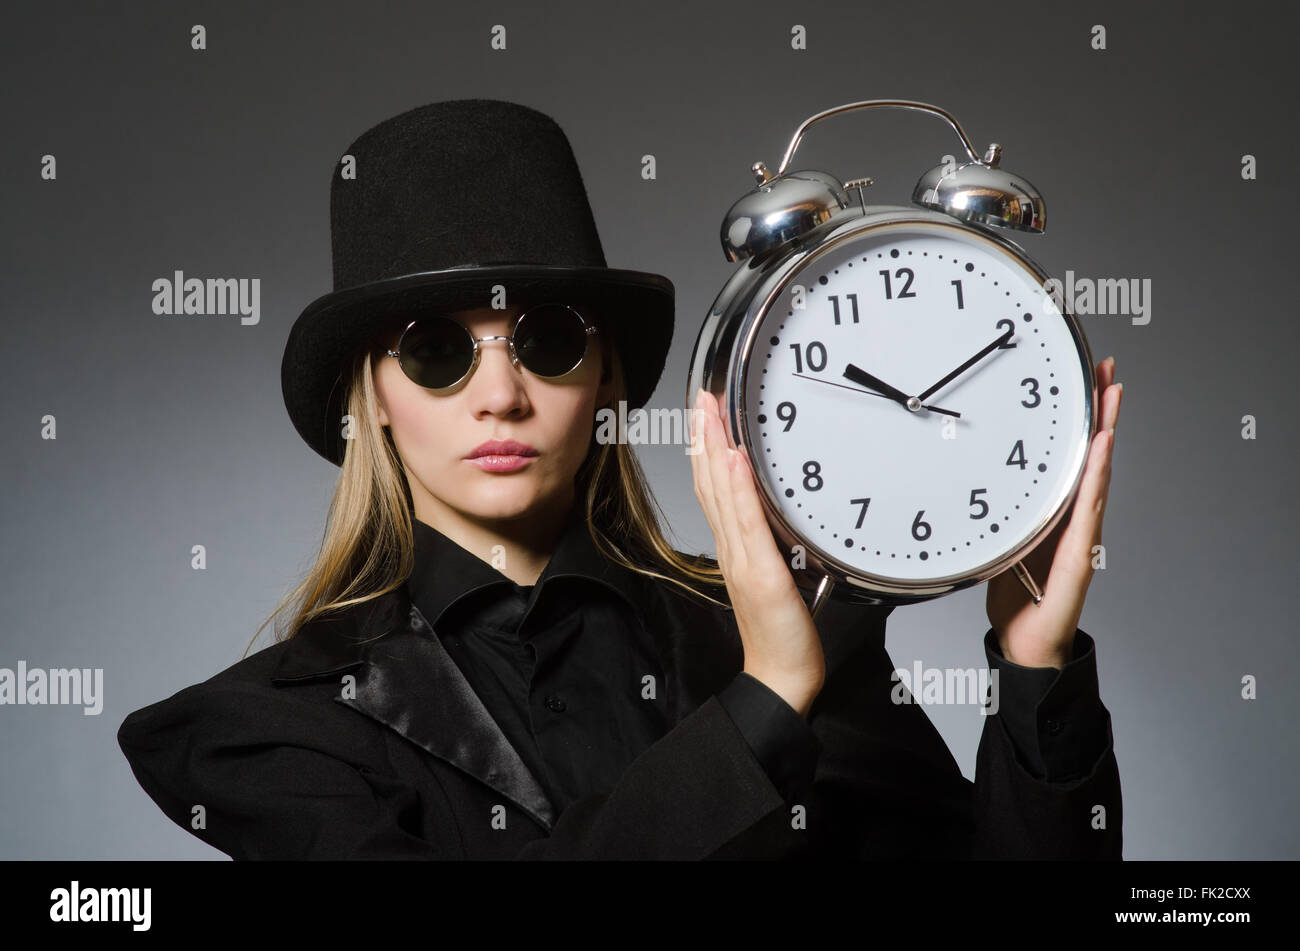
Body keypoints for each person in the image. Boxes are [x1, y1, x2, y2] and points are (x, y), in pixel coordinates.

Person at [117, 98, 1125, 860]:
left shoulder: (780, 625)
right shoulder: (268, 728)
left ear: (604, 371)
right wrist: (766, 701)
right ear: (375, 393)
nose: (500, 395)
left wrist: (1035, 669)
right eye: (435, 351)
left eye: (547, 342)